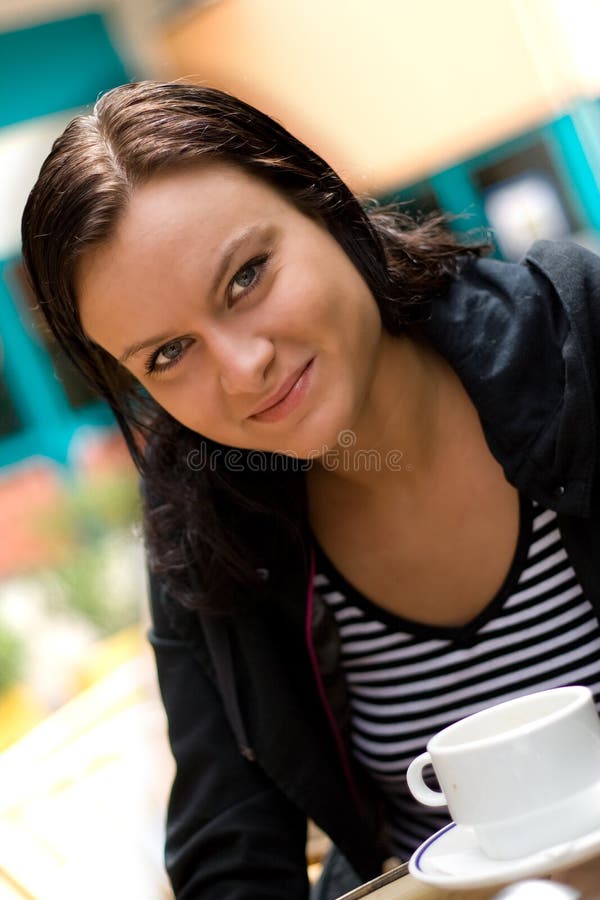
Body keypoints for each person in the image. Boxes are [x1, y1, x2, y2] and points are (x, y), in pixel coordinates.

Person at [21, 80, 600, 900]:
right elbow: (231, 852)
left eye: (247, 276)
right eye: (168, 354)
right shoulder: (208, 519)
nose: (243, 367)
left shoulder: (580, 336)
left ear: (326, 204)